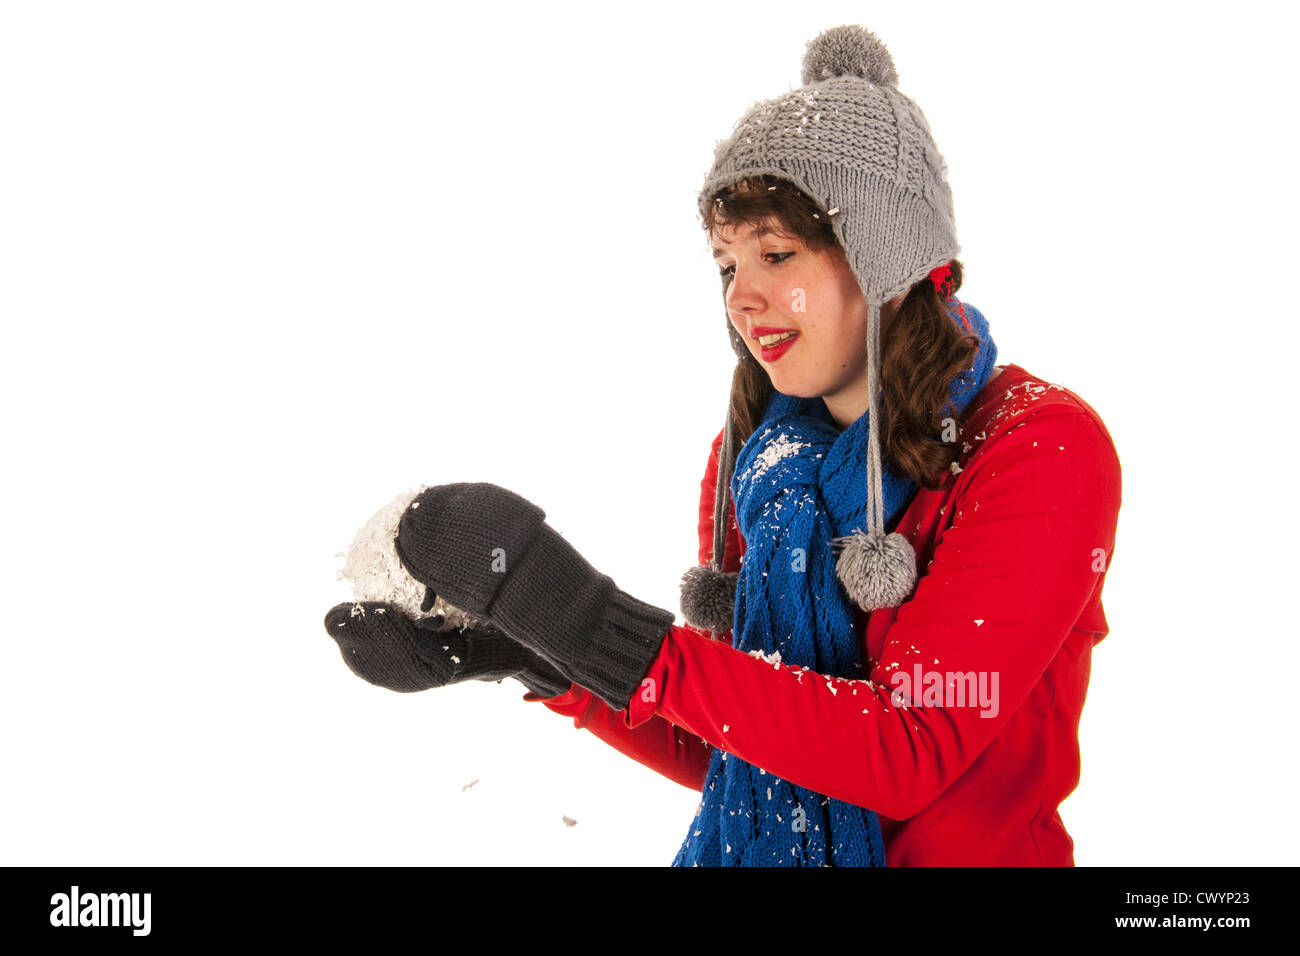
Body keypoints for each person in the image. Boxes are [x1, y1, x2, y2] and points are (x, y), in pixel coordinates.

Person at [324, 24, 1122, 866]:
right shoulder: (759, 465)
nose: (744, 299)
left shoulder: (1037, 450)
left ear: (887, 261)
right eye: (727, 266)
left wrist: (590, 620)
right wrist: (539, 654)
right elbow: (746, 745)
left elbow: (907, 745)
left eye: (776, 253)